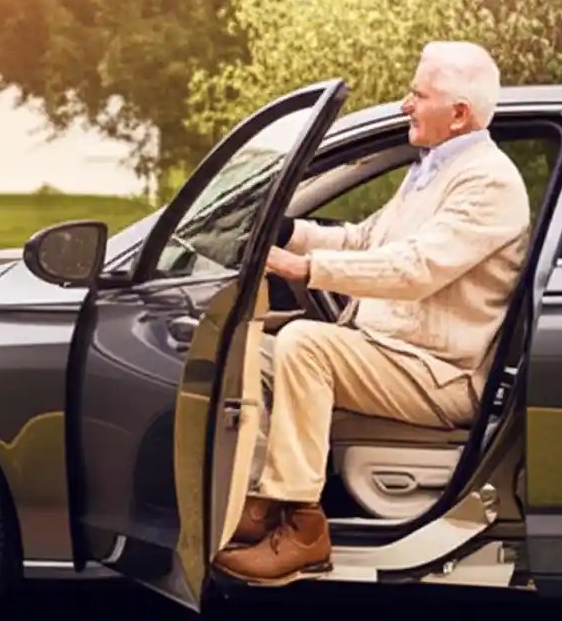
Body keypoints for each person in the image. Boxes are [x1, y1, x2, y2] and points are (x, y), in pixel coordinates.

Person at [214, 41, 532, 585]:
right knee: (252, 354)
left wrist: (304, 270)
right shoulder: (431, 168)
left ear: (458, 114)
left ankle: (304, 527)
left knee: (307, 345)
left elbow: (415, 270)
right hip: (396, 355)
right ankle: (256, 501)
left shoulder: (489, 182)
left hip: (441, 373)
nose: (405, 104)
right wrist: (286, 230)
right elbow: (365, 240)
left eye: (417, 94)